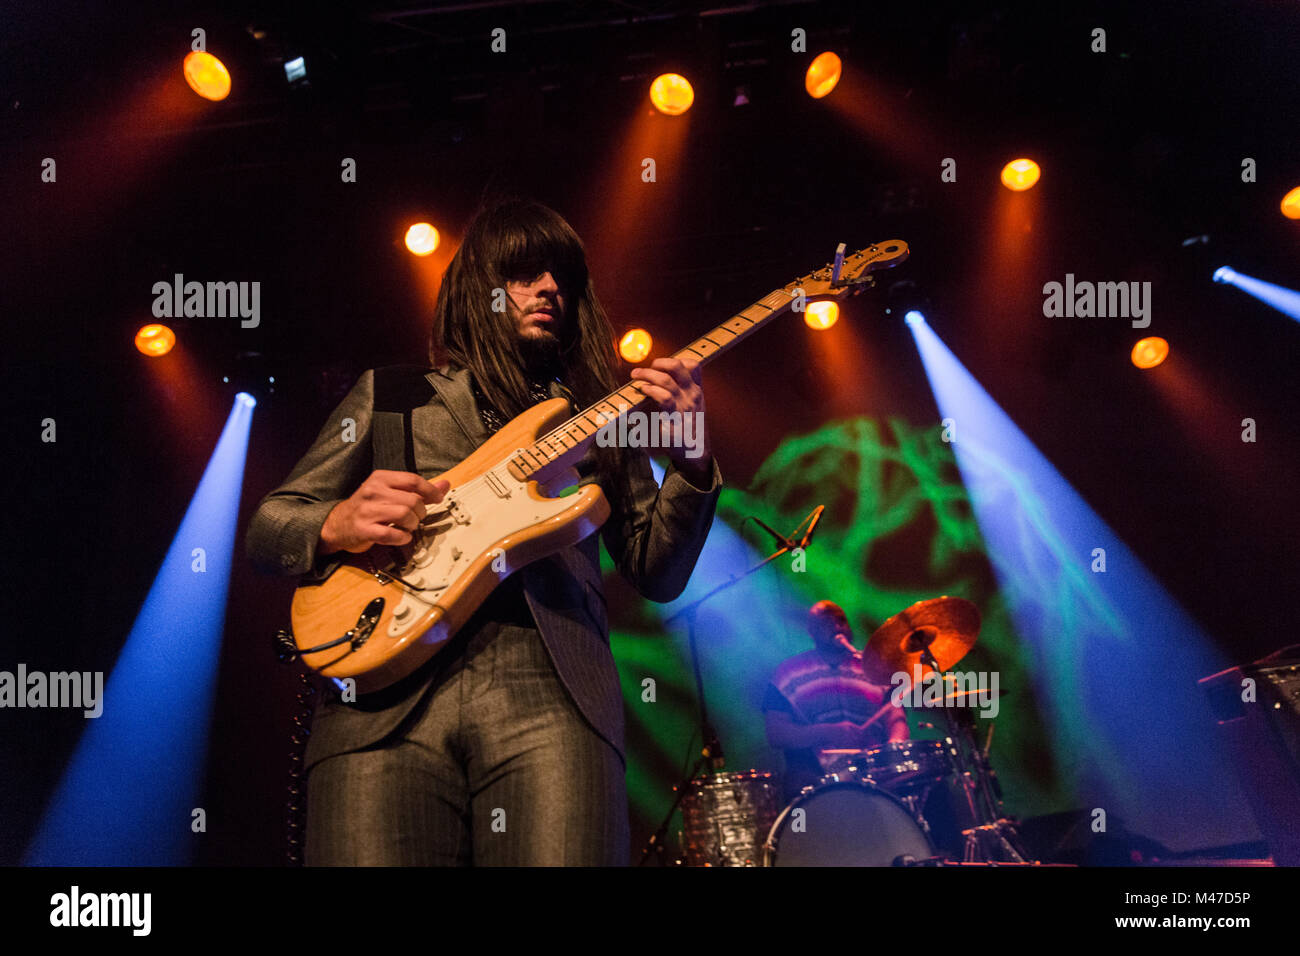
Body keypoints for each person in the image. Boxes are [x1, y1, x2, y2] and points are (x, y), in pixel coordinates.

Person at [245, 199, 722, 865]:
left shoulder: (596, 417)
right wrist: (336, 521)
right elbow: (270, 528)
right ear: (480, 289)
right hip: (380, 695)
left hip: (552, 689)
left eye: (562, 278)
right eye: (526, 273)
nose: (551, 288)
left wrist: (692, 456)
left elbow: (658, 570)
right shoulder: (392, 395)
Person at [763, 600, 909, 801]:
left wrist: (895, 746)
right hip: (814, 774)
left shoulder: (875, 668)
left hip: (875, 769)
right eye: (825, 622)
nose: (837, 626)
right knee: (797, 782)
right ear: (811, 631)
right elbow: (776, 734)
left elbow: (895, 714)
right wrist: (827, 732)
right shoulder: (787, 673)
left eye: (841, 620)